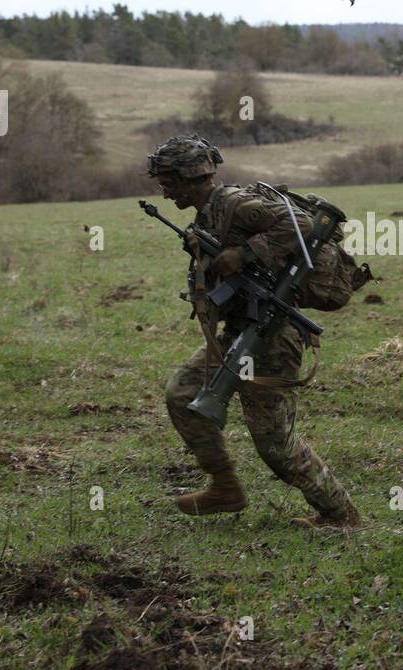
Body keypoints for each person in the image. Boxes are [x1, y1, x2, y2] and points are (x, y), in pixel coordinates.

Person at [148, 134, 362, 529]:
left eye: (169, 181)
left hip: (273, 335)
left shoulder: (233, 203)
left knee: (275, 444)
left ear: (192, 176)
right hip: (241, 327)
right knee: (182, 394)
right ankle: (225, 487)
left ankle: (340, 514)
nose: (164, 191)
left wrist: (244, 254)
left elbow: (300, 224)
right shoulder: (208, 215)